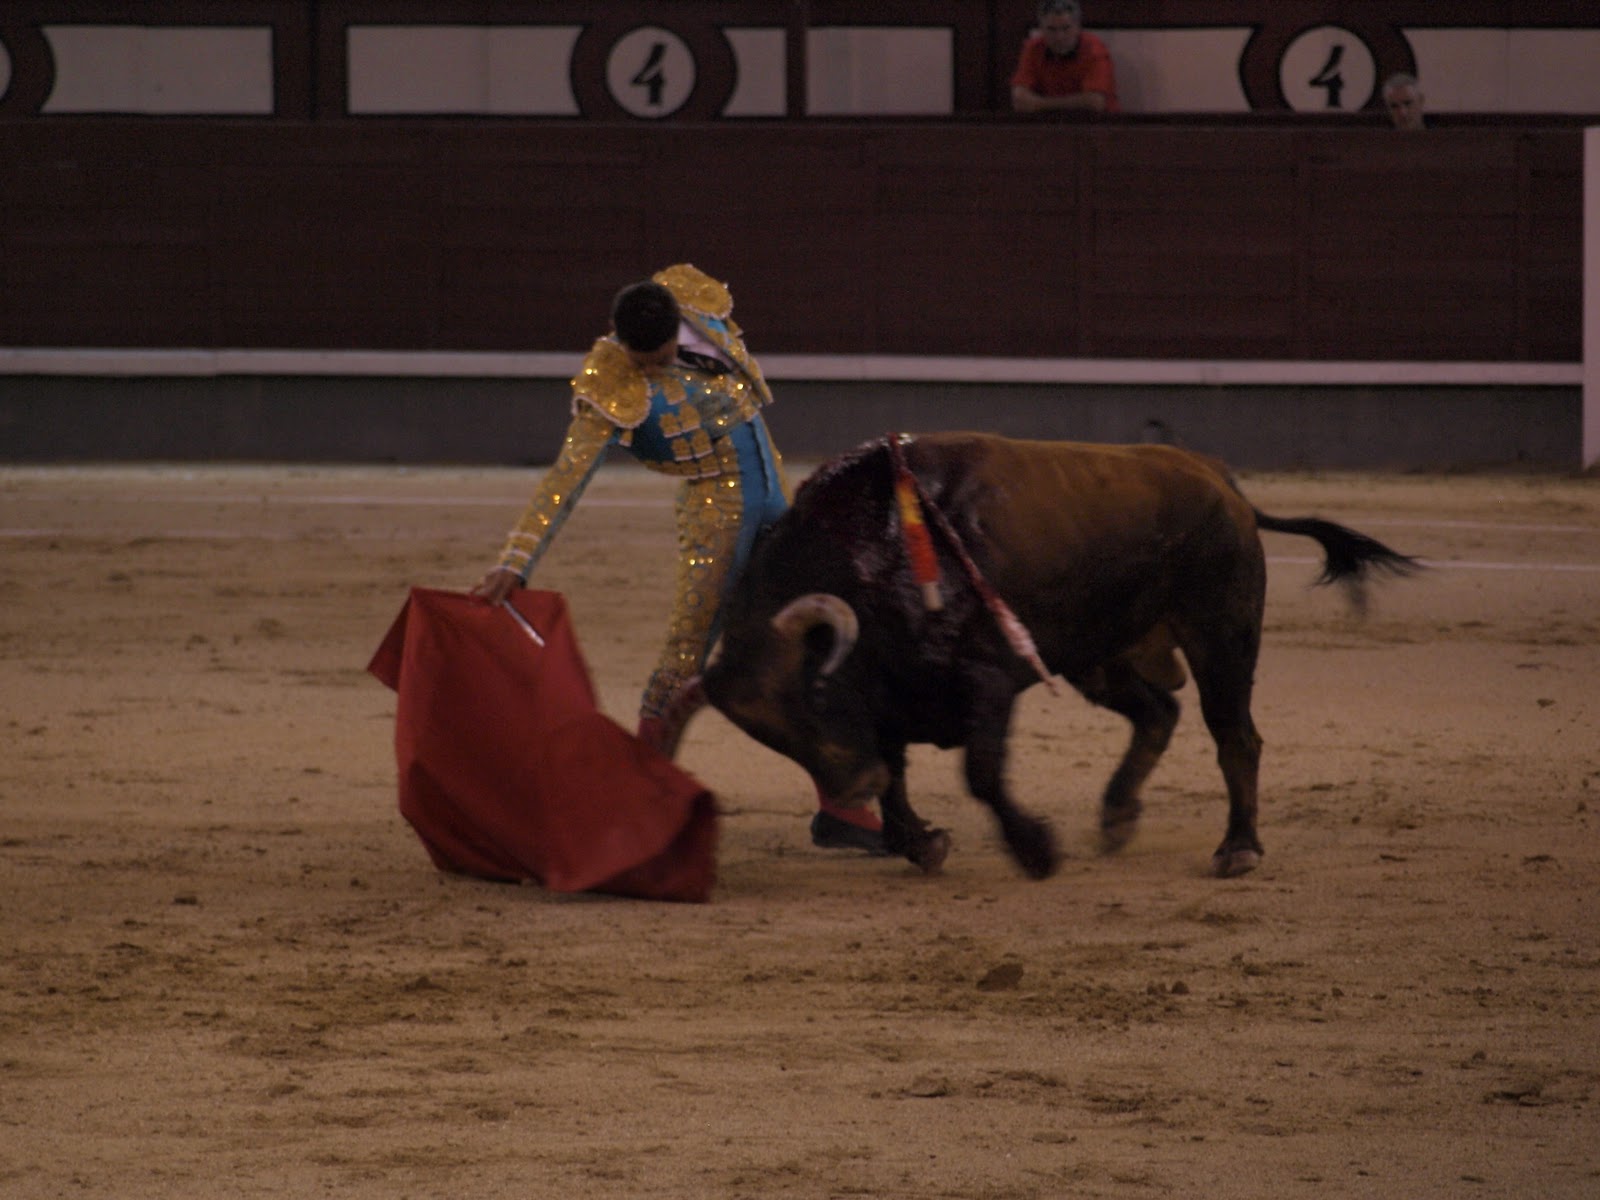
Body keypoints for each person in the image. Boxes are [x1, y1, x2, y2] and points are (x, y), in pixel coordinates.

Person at [472, 264, 886, 855]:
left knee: (813, 640)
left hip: (778, 503)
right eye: (637, 355)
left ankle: (842, 809)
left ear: (674, 328)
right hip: (716, 519)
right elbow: (566, 479)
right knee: (684, 656)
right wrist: (517, 559)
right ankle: (635, 805)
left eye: (656, 353)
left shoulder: (697, 303)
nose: (647, 365)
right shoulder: (609, 379)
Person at [1010, 0, 1119, 115]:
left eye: (1066, 28)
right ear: (1041, 29)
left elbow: (1095, 103)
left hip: (1097, 127)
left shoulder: (1094, 50)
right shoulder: (1033, 48)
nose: (1059, 37)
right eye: (1051, 29)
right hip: (1047, 126)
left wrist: (1038, 104)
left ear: (1078, 28)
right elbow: (1019, 99)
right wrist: (1076, 102)